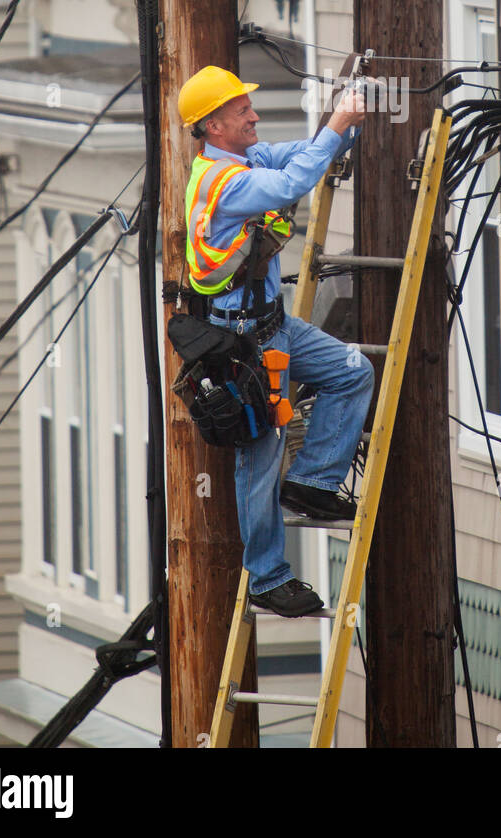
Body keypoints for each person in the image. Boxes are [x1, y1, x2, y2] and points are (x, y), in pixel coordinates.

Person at [177, 65, 374, 618]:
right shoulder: (229, 184)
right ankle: (267, 577)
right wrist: (337, 123)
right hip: (244, 342)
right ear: (215, 126)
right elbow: (291, 185)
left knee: (352, 372)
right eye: (243, 112)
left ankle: (311, 481)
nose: (255, 116)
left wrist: (344, 126)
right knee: (259, 459)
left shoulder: (238, 162)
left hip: (270, 326)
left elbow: (298, 157)